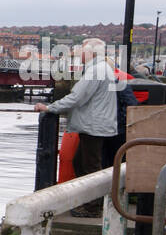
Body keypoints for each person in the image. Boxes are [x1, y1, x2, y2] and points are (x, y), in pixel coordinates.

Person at [34, 38, 118, 216]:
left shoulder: (95, 71)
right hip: (97, 124)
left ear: (92, 54)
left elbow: (77, 97)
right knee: (82, 163)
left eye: (83, 51)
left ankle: (92, 208)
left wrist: (50, 108)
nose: (79, 55)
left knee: (90, 167)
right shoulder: (104, 69)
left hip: (93, 125)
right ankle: (88, 204)